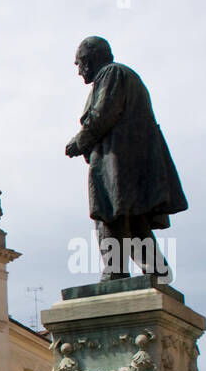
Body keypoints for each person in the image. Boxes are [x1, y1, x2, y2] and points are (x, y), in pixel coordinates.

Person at [64, 36, 187, 283]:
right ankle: (156, 269)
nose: (78, 71)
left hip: (117, 161)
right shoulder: (124, 76)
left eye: (79, 64)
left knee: (109, 213)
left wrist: (80, 141)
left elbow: (102, 114)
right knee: (133, 219)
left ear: (90, 60)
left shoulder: (111, 74)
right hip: (130, 161)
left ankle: (115, 270)